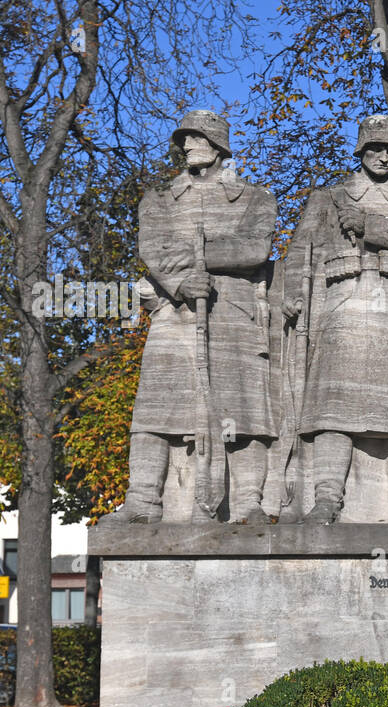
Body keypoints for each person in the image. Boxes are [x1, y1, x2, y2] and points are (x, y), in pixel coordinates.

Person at [280, 114, 388, 524]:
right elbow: (300, 250)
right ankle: (328, 497)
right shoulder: (328, 198)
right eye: (375, 149)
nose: (383, 156)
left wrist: (367, 224)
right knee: (335, 407)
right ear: (361, 151)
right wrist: (292, 295)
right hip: (343, 305)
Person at [121, 109, 277, 524]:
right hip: (175, 313)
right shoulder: (158, 200)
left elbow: (254, 250)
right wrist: (180, 283)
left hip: (235, 312)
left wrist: (197, 254)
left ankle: (248, 504)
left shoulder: (255, 198)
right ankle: (142, 501)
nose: (187, 146)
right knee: (157, 408)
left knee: (243, 413)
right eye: (184, 140)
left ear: (219, 146)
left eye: (197, 138)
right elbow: (153, 250)